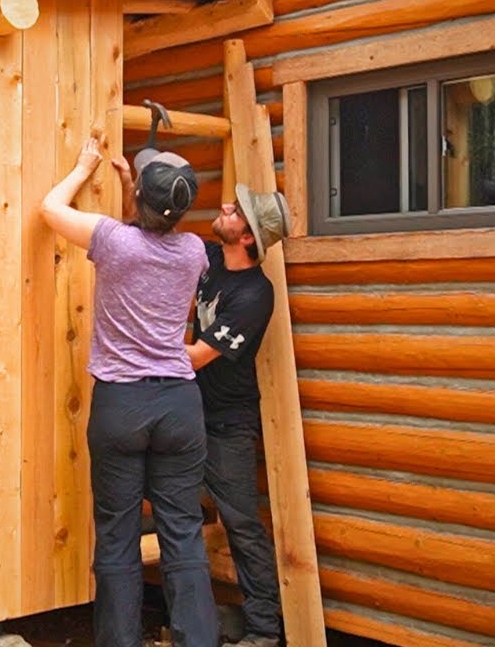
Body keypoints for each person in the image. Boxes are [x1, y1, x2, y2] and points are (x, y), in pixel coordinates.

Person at [41, 135, 218, 647]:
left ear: (140, 200)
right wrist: (128, 184)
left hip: (122, 404)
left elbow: (49, 209)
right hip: (180, 405)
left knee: (117, 534)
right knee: (182, 532)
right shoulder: (194, 252)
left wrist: (83, 167)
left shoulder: (112, 241)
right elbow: (147, 232)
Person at [186, 185, 289, 647]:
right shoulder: (208, 257)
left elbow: (195, 358)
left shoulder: (254, 294)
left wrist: (135, 335)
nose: (225, 207)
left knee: (242, 524)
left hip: (227, 424)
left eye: (236, 211)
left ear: (247, 238)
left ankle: (265, 632)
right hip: (188, 412)